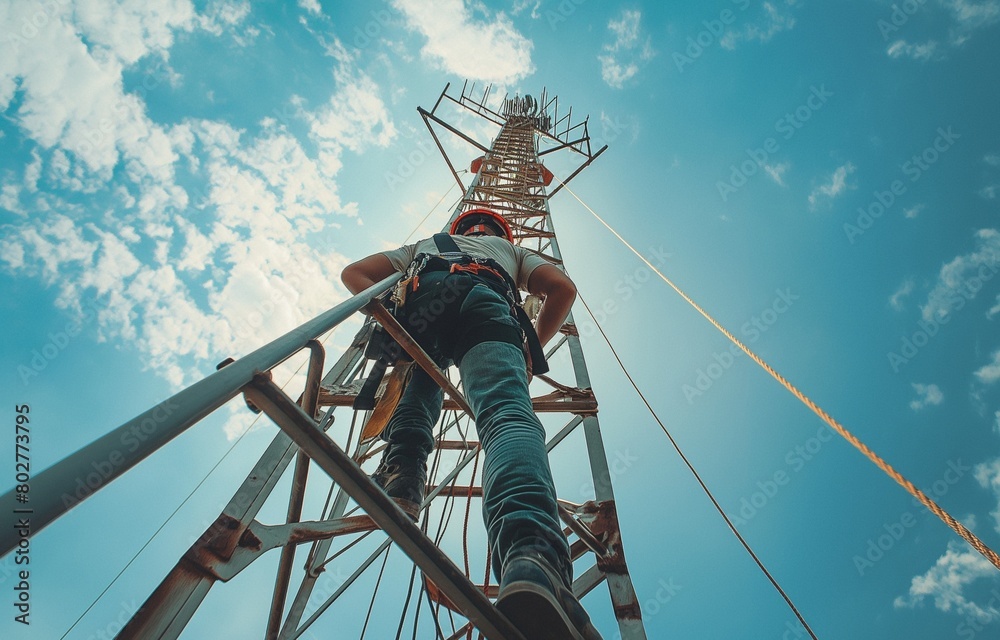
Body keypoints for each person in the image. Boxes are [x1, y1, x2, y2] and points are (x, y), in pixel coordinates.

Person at [341, 209, 602, 640]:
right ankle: (532, 559)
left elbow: (355, 274)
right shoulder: (511, 251)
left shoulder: (421, 247)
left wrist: (389, 310)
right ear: (501, 232)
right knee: (506, 416)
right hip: (488, 305)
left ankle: (403, 475)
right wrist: (528, 350)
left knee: (419, 372)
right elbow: (562, 289)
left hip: (424, 303)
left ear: (457, 229)